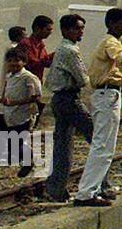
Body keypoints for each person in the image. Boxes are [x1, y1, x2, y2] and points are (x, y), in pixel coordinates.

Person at [72, 8, 122, 207]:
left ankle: (97, 187)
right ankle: (86, 193)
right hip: (106, 94)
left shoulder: (115, 43)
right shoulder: (111, 43)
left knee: (106, 146)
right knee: (102, 145)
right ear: (110, 24)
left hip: (110, 94)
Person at [43, 14, 115, 203]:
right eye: (77, 28)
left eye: (82, 28)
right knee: (98, 139)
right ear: (66, 30)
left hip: (60, 99)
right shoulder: (70, 51)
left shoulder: (64, 48)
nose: (81, 31)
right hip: (69, 99)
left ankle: (56, 188)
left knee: (63, 145)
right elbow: (84, 79)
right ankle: (100, 185)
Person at [0, 48, 42, 191]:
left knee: (14, 146)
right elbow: (6, 97)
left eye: (17, 61)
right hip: (4, 115)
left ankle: (28, 159)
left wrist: (14, 103)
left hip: (21, 117)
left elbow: (35, 98)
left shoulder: (29, 78)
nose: (14, 64)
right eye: (10, 62)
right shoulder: (9, 77)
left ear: (24, 62)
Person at [17, 15, 55, 84]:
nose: (50, 32)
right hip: (25, 83)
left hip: (37, 82)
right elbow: (31, 64)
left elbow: (46, 63)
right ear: (37, 28)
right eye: (48, 29)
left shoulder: (41, 45)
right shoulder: (25, 44)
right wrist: (53, 55)